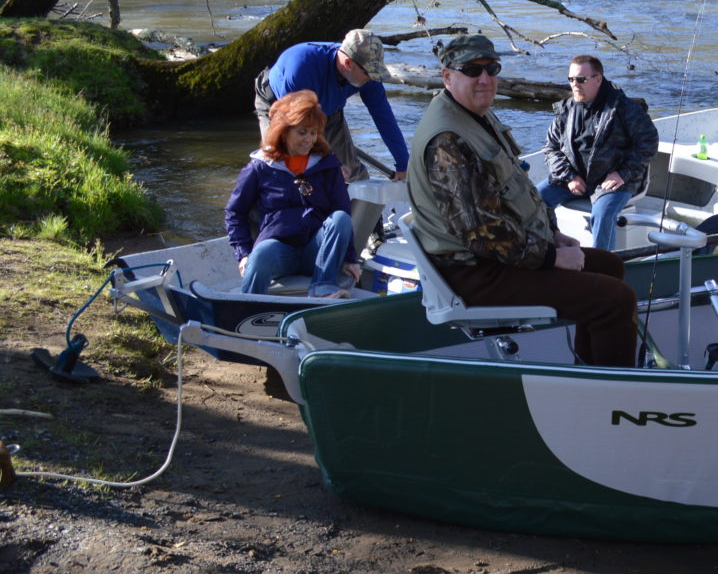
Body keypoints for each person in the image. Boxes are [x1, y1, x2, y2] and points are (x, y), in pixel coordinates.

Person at [405, 35, 638, 368]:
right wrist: (550, 257)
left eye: (491, 69)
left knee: (608, 266)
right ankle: (616, 399)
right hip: (473, 273)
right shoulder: (448, 140)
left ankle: (592, 370)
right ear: (447, 77)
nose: (484, 79)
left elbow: (517, 188)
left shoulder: (473, 116)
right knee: (615, 300)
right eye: (471, 70)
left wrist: (553, 233)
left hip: (495, 260)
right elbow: (480, 231)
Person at [226, 90, 361, 298]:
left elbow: (341, 210)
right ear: (284, 131)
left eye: (314, 132)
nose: (309, 139)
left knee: (340, 218)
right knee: (259, 254)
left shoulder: (328, 164)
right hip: (279, 253)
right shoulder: (259, 168)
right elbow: (235, 213)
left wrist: (350, 258)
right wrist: (243, 254)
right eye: (302, 132)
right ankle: (247, 306)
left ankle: (323, 288)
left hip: (317, 253)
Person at [536, 54, 658, 251]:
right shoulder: (566, 109)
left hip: (614, 181)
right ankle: (551, 252)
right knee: (535, 199)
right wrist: (569, 176)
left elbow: (649, 143)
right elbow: (551, 148)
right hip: (574, 179)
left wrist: (623, 173)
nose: (575, 84)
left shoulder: (623, 108)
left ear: (598, 79)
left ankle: (603, 269)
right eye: (571, 79)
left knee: (602, 213)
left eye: (581, 79)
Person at [253, 28, 408, 181]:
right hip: (281, 108)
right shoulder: (302, 67)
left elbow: (384, 118)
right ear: (348, 63)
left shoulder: (368, 77)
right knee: (282, 168)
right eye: (369, 73)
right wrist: (327, 160)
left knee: (354, 174)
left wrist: (404, 164)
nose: (371, 78)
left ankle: (348, 205)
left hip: (330, 110)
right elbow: (297, 128)